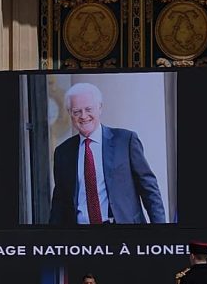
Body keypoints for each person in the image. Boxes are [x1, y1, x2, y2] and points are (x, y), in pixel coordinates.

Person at [49, 82, 166, 225]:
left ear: (100, 108)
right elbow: (59, 201)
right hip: (81, 238)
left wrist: (161, 231)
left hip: (124, 233)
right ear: (69, 113)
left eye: (88, 109)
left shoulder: (125, 141)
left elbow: (149, 189)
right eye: (76, 111)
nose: (83, 116)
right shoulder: (63, 152)